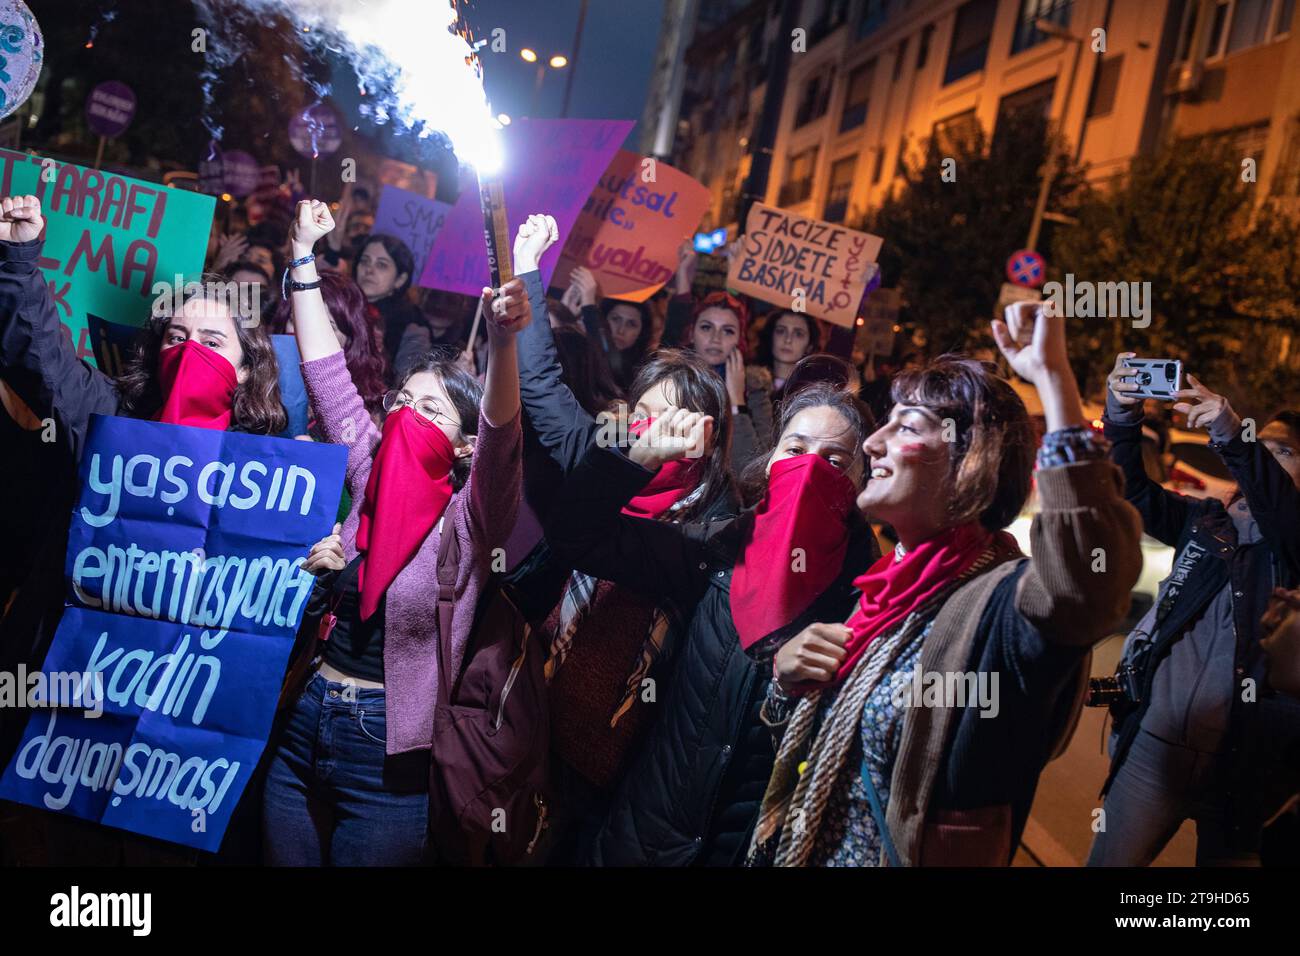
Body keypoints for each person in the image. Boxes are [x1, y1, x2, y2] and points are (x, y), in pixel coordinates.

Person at [747, 302, 1142, 867]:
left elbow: (1088, 578)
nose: (871, 444)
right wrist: (786, 683)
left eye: (905, 426)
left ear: (969, 462)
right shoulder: (883, 592)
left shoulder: (1003, 606)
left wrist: (1055, 383)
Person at [0, 193, 287, 862]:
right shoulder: (110, 420)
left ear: (247, 367)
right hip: (82, 703)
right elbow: (45, 360)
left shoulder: (273, 477)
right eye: (178, 339)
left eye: (213, 343)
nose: (191, 355)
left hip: (183, 727)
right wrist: (18, 255)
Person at [259, 199, 530, 866]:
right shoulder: (369, 463)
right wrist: (301, 256)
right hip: (302, 720)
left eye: (430, 408)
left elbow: (502, 431)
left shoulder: (471, 519)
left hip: (387, 761)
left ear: (463, 447)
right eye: (402, 400)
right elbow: (326, 374)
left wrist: (503, 343)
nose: (407, 412)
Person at [544, 365, 879, 865]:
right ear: (769, 465)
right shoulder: (718, 549)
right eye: (795, 450)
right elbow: (576, 535)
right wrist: (633, 460)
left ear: (862, 481)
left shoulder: (870, 600)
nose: (809, 469)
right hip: (641, 841)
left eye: (834, 460)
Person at [508, 215, 741, 861]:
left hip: (611, 761)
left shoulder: (706, 532)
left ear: (703, 438)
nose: (649, 428)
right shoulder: (606, 452)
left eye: (666, 419)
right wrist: (529, 265)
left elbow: (582, 537)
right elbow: (542, 386)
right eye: (642, 413)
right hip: (529, 713)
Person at [1088, 356, 1300, 867]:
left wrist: (1235, 435)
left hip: (1248, 774)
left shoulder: (1292, 541)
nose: (1267, 455)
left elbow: (1282, 513)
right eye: (1262, 445)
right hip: (1154, 752)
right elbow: (1130, 493)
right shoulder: (1206, 522)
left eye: (1285, 451)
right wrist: (1122, 419)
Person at [272, 271, 389, 420]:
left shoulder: (364, 412)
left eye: (325, 328)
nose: (304, 336)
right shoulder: (259, 382)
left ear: (349, 341)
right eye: (295, 321)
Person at [680, 291, 774, 474]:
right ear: (691, 333)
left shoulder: (755, 388)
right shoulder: (669, 381)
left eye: (728, 331)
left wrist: (737, 402)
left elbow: (750, 472)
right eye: (707, 327)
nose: (716, 338)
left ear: (739, 341)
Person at [352, 233, 427, 370]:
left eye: (381, 265)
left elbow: (405, 382)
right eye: (364, 261)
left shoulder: (411, 327)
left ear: (400, 280)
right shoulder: (341, 306)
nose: (369, 270)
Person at [754, 308, 822, 406]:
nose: (788, 340)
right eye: (781, 331)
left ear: (809, 346)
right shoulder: (747, 379)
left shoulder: (813, 393)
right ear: (770, 337)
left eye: (798, 334)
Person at [601, 298, 654, 391]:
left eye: (631, 324)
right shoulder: (586, 356)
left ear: (641, 332)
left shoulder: (646, 371)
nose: (621, 330)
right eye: (616, 319)